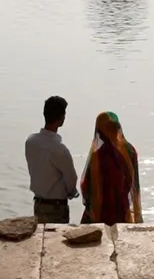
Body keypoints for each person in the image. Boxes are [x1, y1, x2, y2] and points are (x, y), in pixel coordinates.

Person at [80, 111, 142, 225]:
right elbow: (134, 183)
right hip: (122, 210)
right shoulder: (130, 151)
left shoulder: (98, 156)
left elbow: (86, 186)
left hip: (101, 213)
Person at [25, 95, 78, 223]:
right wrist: (71, 192)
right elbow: (72, 179)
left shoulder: (30, 142)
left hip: (38, 204)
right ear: (61, 118)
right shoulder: (60, 150)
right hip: (56, 207)